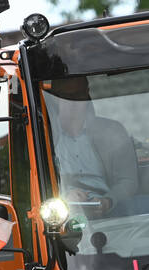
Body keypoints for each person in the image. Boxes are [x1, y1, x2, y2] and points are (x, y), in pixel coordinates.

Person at [45, 77, 138, 217]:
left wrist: (108, 200)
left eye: (78, 95)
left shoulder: (112, 132)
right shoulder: (44, 137)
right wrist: (64, 195)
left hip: (112, 212)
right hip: (59, 215)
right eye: (66, 97)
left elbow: (128, 181)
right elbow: (35, 183)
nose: (73, 103)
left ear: (87, 93)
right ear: (54, 98)